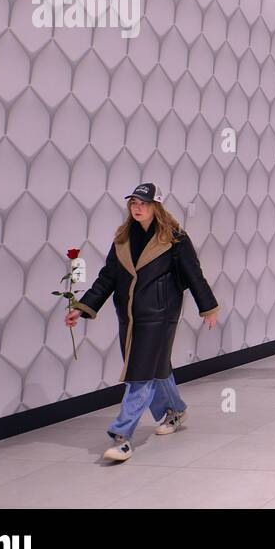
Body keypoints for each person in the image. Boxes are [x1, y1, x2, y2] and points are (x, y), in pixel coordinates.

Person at [65, 183, 219, 463]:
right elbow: (107, 278)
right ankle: (175, 410)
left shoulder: (174, 238)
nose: (138, 208)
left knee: (140, 373)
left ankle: (122, 437)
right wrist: (83, 308)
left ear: (156, 206)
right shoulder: (123, 238)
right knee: (155, 367)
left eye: (144, 203)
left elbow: (193, 274)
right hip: (129, 315)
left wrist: (208, 307)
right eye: (134, 203)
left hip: (161, 314)